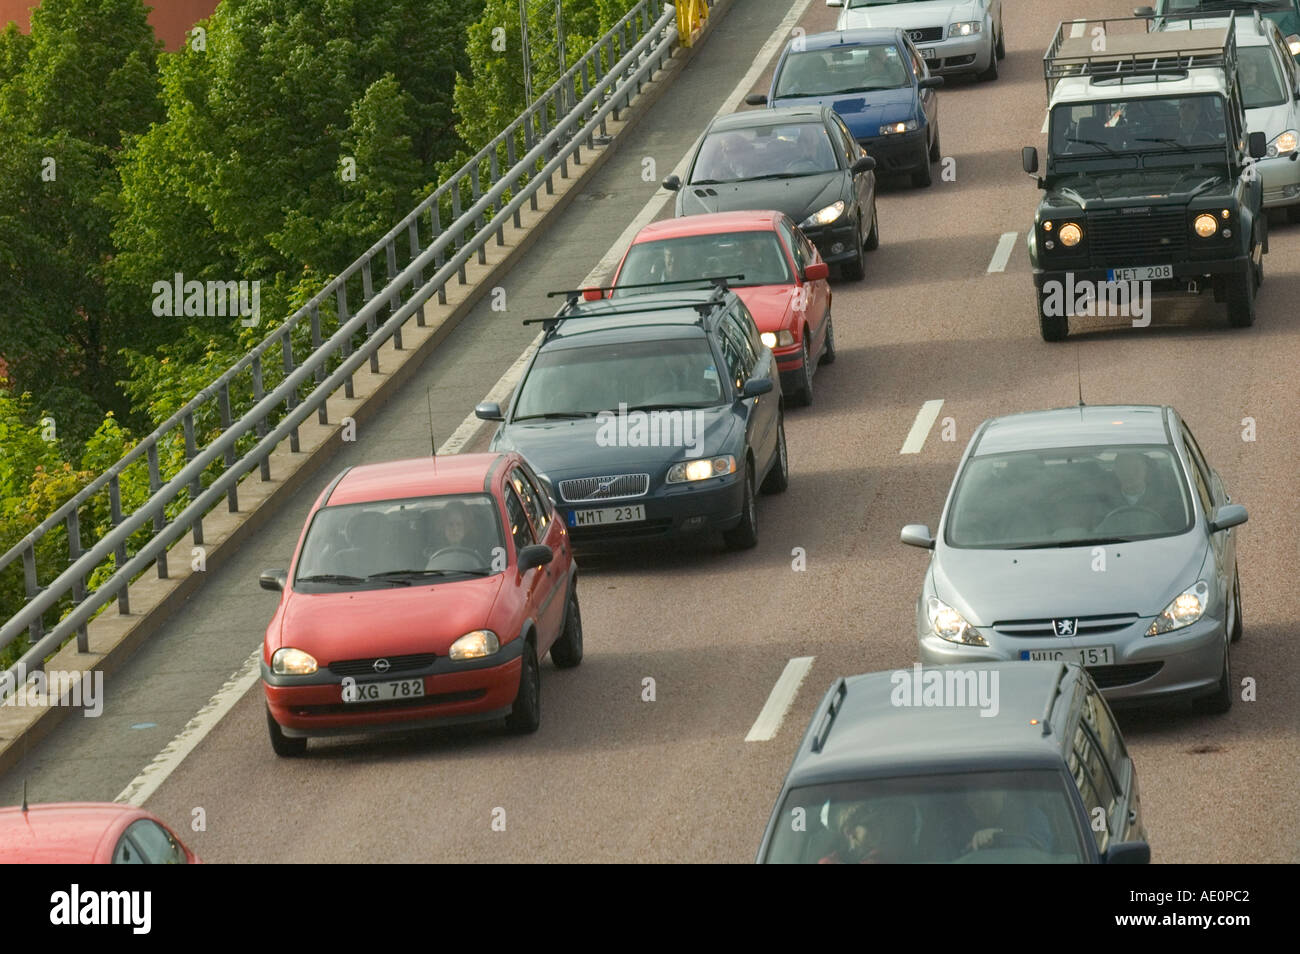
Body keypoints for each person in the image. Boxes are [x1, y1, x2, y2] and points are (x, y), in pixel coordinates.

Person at [960, 788, 1055, 856]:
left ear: (1003, 792)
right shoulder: (960, 825)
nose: (981, 795)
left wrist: (998, 837)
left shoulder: (1032, 816)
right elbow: (954, 856)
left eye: (986, 799)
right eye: (974, 804)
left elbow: (1040, 853)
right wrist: (974, 846)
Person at [819, 800, 914, 863]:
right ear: (849, 832)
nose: (878, 829)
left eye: (878, 823)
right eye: (870, 825)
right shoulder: (829, 861)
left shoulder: (883, 858)